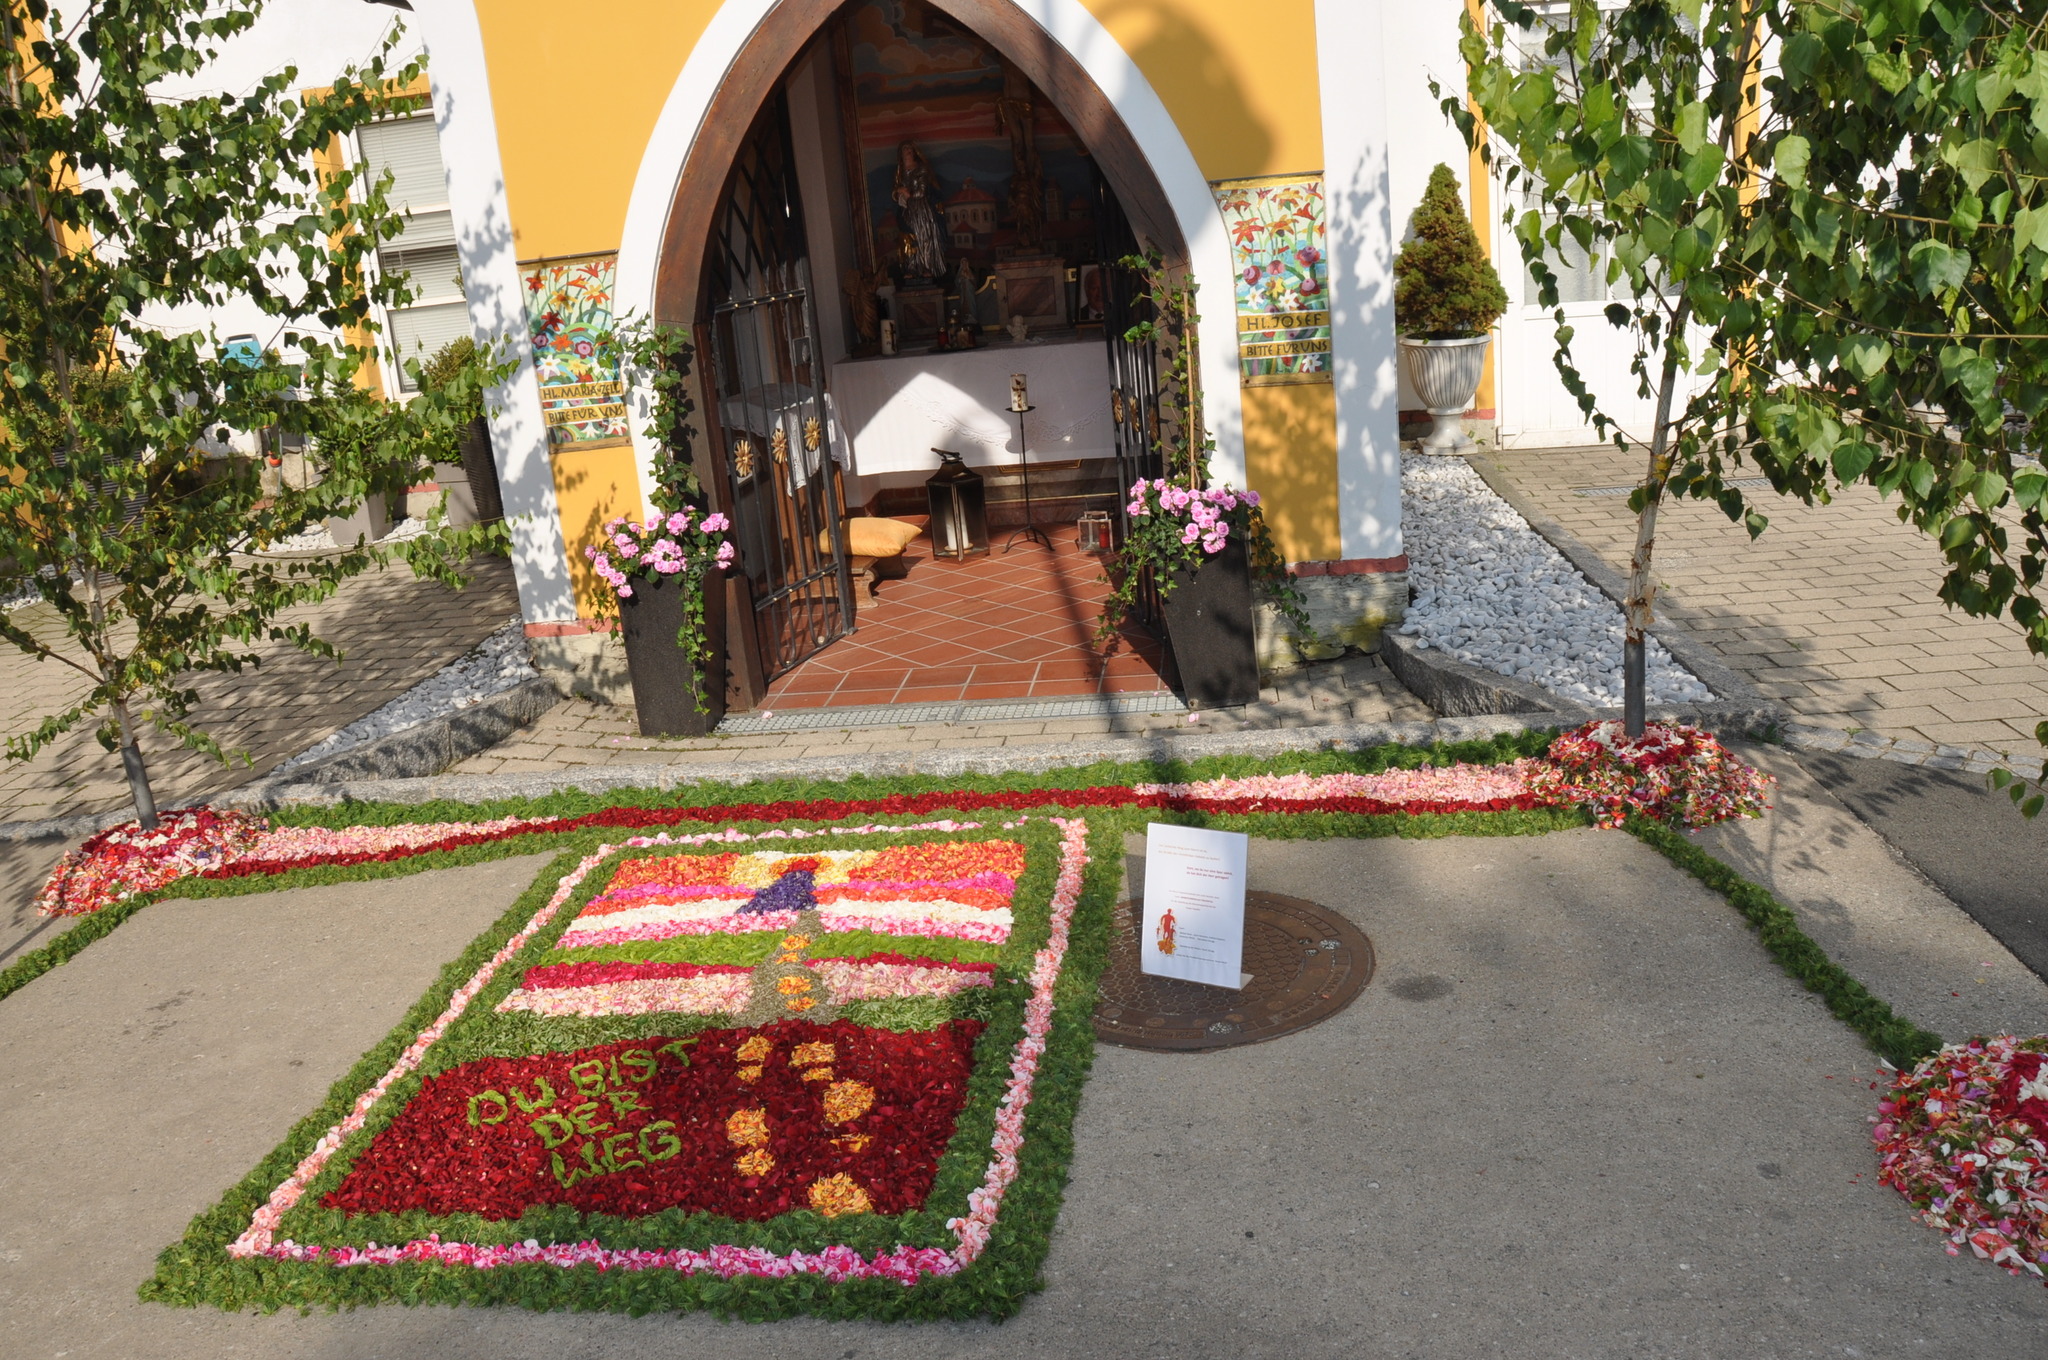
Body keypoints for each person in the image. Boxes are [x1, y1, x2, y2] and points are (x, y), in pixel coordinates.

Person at [891, 142, 948, 281]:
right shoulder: (899, 171)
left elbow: (922, 190)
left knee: (924, 237)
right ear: (901, 153)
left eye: (910, 148)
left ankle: (925, 266)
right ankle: (911, 266)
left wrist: (908, 193)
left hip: (920, 208)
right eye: (905, 148)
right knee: (908, 238)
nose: (908, 150)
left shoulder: (921, 169)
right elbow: (895, 191)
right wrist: (898, 192)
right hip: (905, 210)